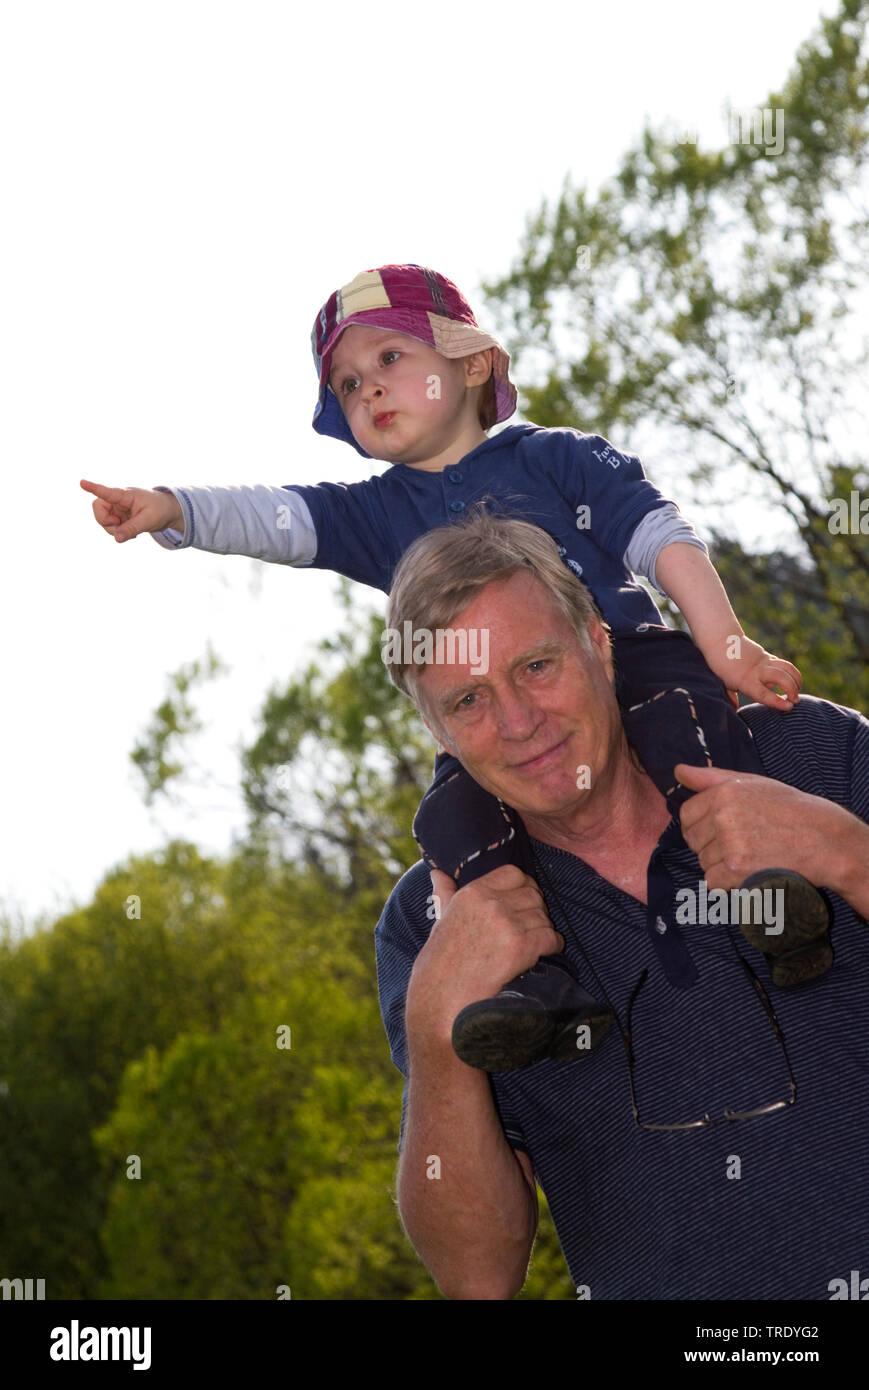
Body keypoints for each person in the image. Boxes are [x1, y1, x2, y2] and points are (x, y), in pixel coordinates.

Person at [80, 261, 830, 1075]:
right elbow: (278, 517)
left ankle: (767, 891)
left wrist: (725, 646)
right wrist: (173, 510)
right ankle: (527, 987)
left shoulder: (559, 461)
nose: (367, 389)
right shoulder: (375, 512)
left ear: (470, 362)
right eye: (348, 382)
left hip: (628, 658)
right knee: (450, 820)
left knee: (688, 726)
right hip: (492, 715)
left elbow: (662, 540)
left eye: (389, 361)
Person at [374, 510, 869, 1300]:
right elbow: (475, 1276)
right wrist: (439, 1036)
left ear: (599, 645)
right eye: (467, 701)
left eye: (536, 665)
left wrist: (851, 858)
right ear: (435, 730)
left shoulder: (808, 754)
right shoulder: (433, 920)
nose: (516, 721)